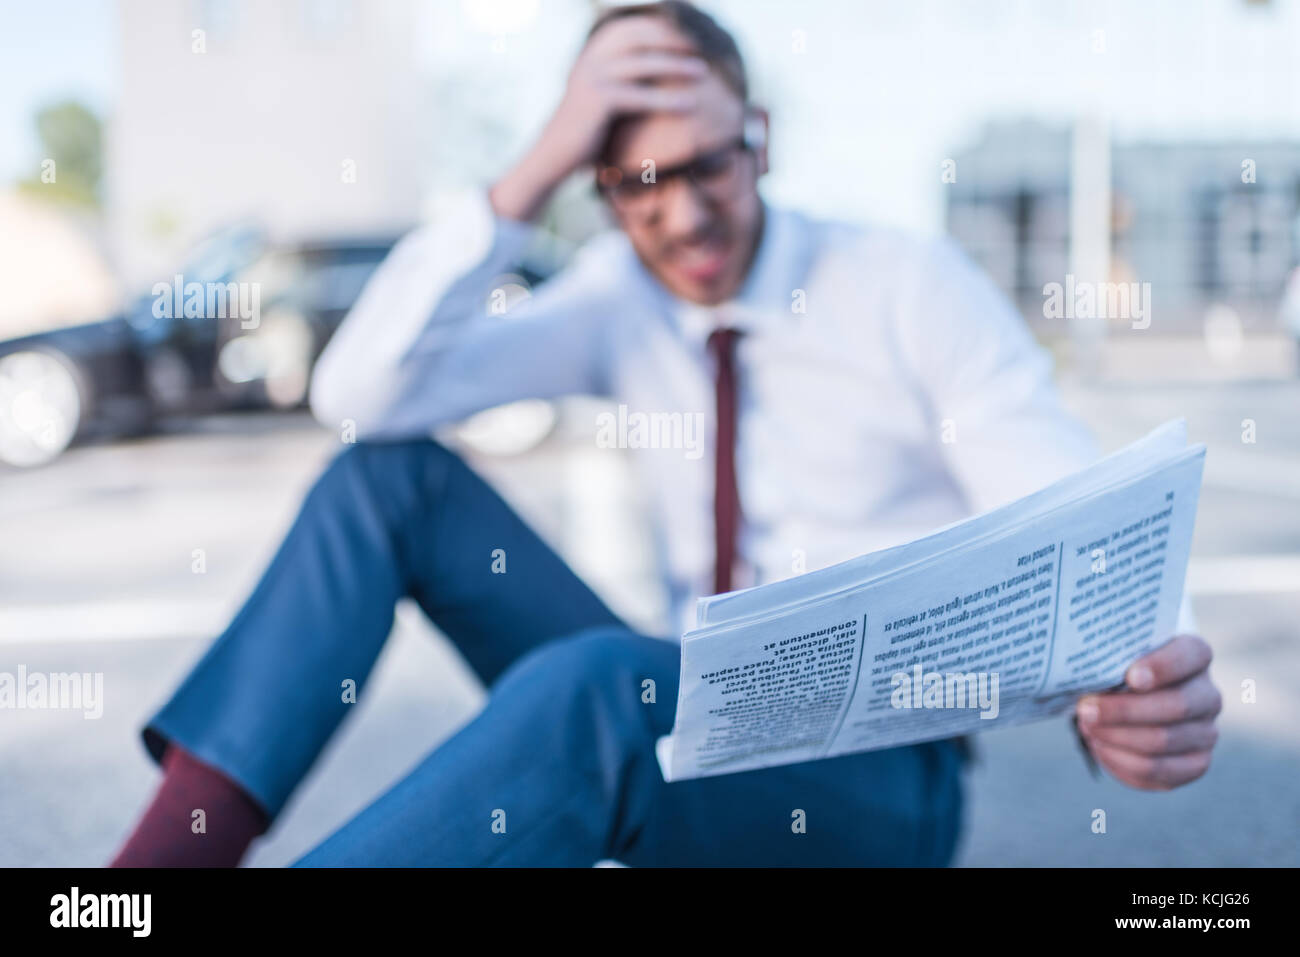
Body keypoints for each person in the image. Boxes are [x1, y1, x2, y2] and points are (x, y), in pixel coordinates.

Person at [112, 1, 1221, 867]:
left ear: (761, 139)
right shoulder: (612, 299)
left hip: (880, 788)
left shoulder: (902, 285)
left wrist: (1144, 680)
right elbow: (361, 393)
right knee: (384, 483)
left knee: (596, 687)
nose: (682, 213)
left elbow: (1079, 512)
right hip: (703, 718)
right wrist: (521, 178)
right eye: (638, 182)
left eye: (705, 164)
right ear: (597, 185)